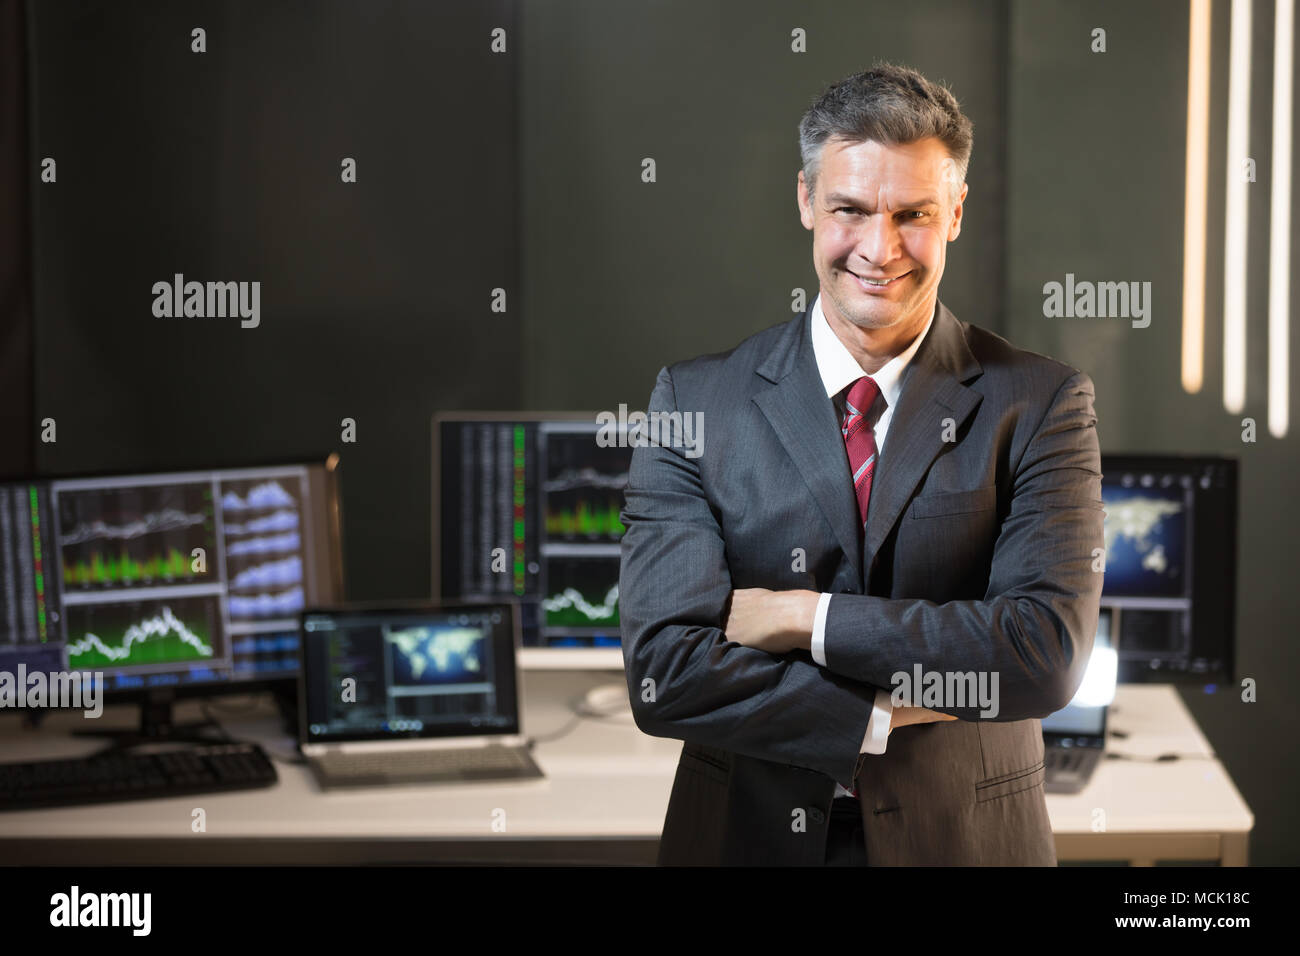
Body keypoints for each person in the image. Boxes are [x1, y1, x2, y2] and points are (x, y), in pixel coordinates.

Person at [618, 62, 1105, 866]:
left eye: (912, 213)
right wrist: (878, 712)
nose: (879, 250)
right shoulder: (693, 401)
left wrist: (802, 618)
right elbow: (665, 673)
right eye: (849, 209)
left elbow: (1042, 655)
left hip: (967, 843)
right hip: (744, 840)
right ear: (807, 201)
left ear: (955, 212)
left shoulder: (1041, 403)